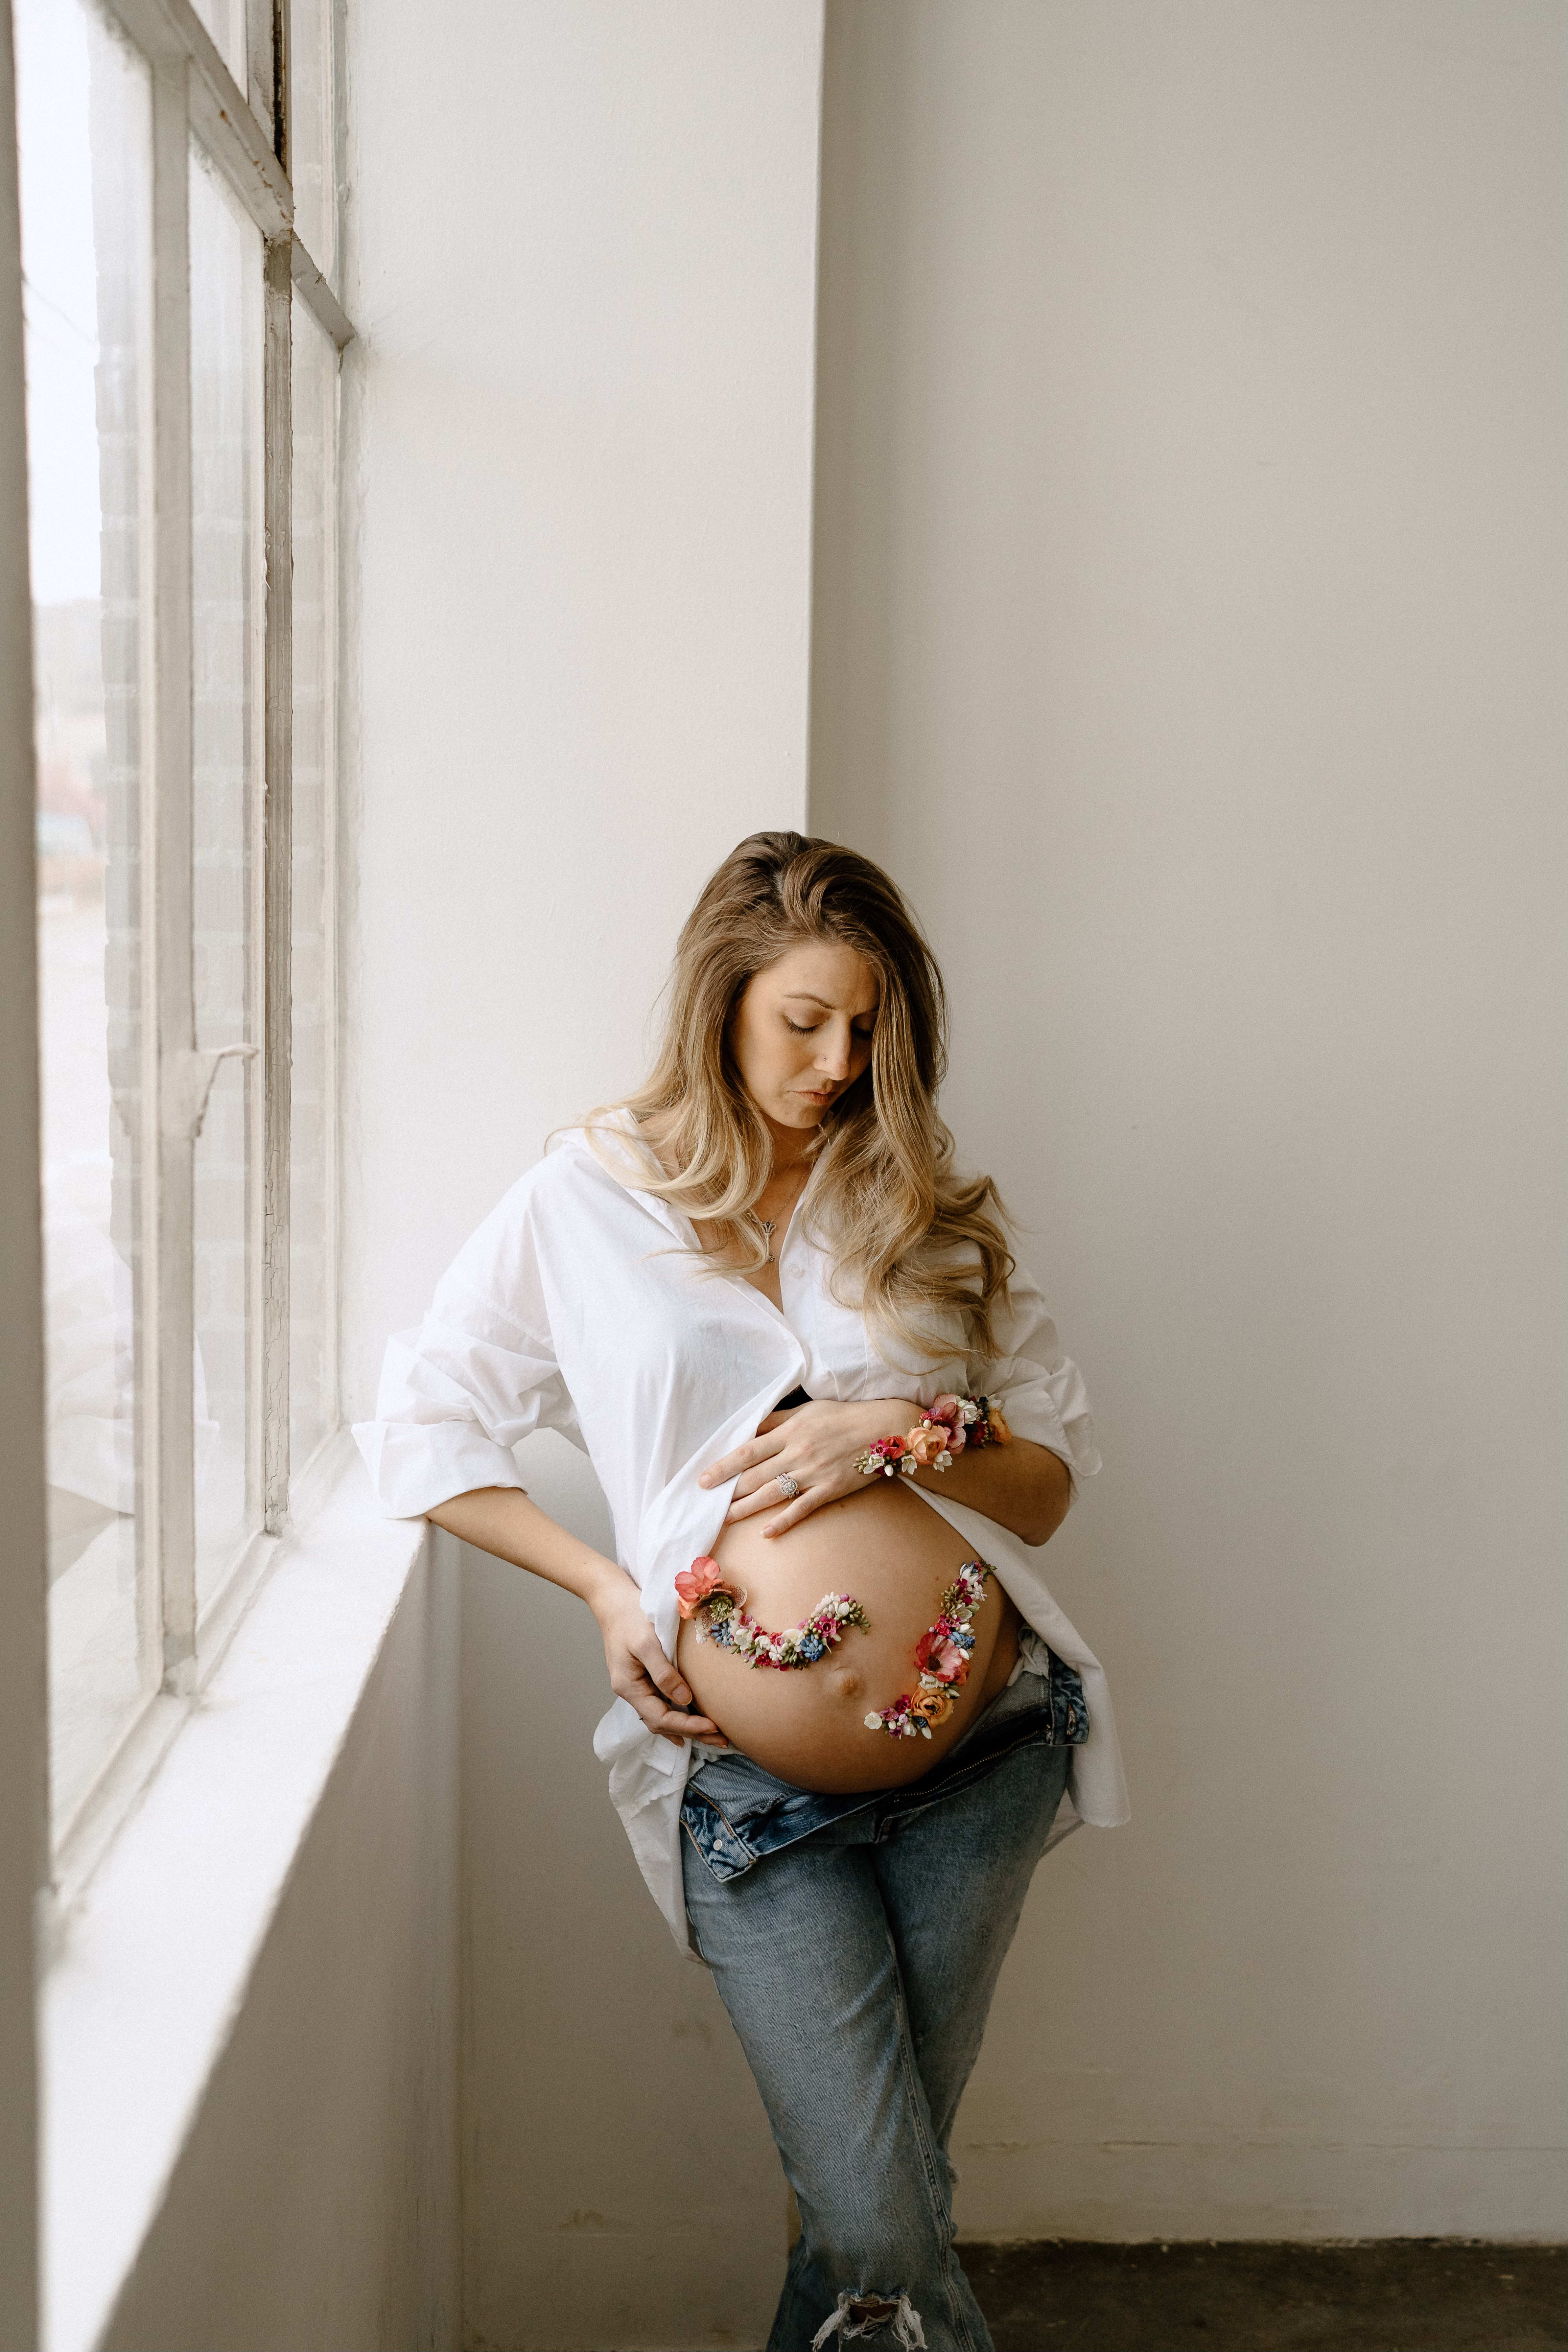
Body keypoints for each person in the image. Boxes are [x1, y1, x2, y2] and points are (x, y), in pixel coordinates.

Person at [356, 832, 1127, 2352]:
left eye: (870, 1029)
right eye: (805, 1022)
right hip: (752, 1795)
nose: (840, 1063)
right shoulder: (586, 1200)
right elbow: (423, 1432)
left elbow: (1049, 1482)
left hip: (982, 1759)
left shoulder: (926, 1200)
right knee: (883, 2208)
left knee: (870, 2209)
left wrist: (909, 1426)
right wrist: (602, 1589)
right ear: (723, 1000)